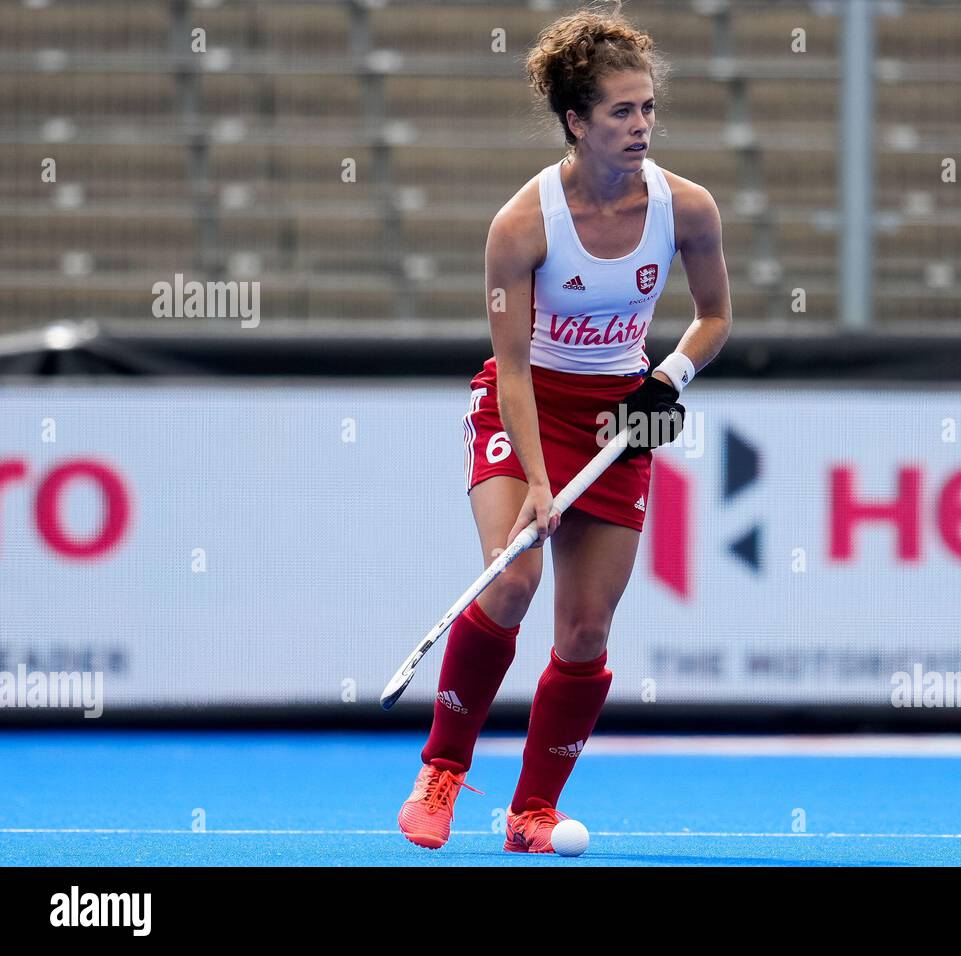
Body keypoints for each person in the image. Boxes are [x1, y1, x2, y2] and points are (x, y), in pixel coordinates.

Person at [399, 0, 731, 853]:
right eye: (621, 110)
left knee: (586, 630)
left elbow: (715, 316)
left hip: (623, 414)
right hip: (527, 403)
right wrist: (540, 484)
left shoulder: (687, 208)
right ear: (576, 121)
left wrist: (669, 377)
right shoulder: (521, 226)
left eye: (648, 106)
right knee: (511, 583)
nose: (641, 125)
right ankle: (442, 769)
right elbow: (510, 368)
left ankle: (531, 813)